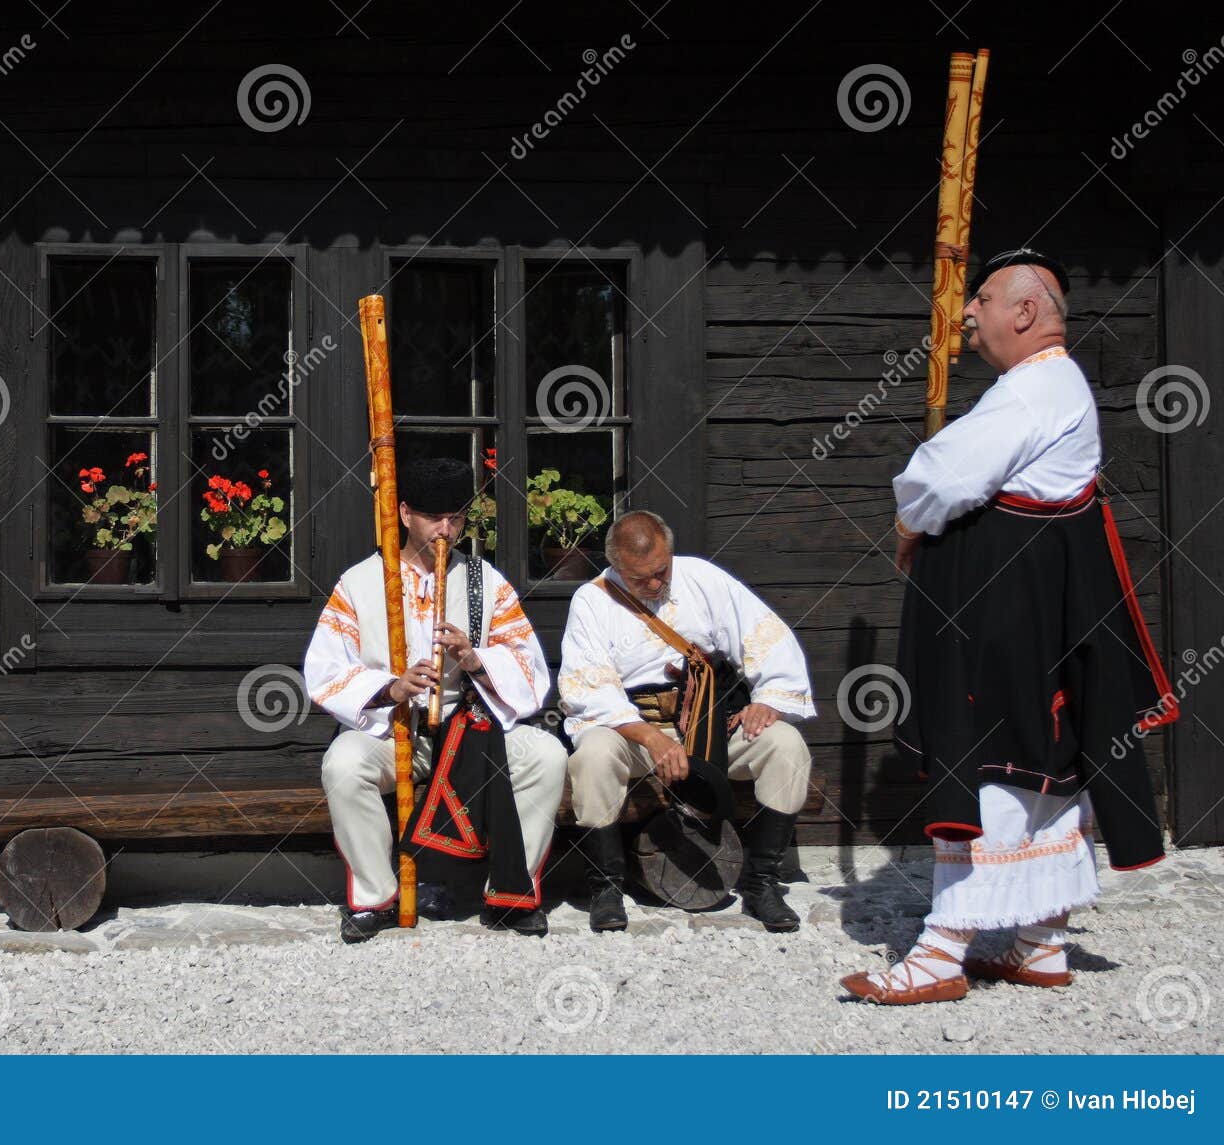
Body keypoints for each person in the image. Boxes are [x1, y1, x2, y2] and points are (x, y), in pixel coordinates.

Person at [841, 248, 1176, 1004]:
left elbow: (943, 475)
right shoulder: (1046, 385)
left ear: (1025, 311)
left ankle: (940, 953)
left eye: (983, 297)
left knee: (991, 763)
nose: (967, 310)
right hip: (1029, 610)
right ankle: (1039, 943)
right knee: (1044, 760)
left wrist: (910, 519)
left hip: (1006, 619)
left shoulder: (1035, 389)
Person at [304, 457, 568, 943]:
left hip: (469, 731)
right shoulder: (361, 582)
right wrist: (391, 688)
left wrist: (475, 660)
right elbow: (325, 670)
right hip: (391, 729)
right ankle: (375, 898)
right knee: (343, 764)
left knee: (546, 755)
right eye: (433, 518)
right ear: (405, 513)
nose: (446, 531)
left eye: (456, 518)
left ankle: (510, 894)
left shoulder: (484, 582)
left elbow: (528, 666)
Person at [558, 509, 818, 933]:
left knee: (785, 744)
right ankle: (606, 886)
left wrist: (768, 699)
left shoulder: (702, 578)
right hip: (634, 734)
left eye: (662, 571)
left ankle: (762, 884)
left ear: (670, 552)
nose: (655, 584)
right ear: (617, 567)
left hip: (708, 729)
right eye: (641, 578)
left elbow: (764, 635)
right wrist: (652, 739)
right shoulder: (592, 601)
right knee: (594, 755)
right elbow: (590, 691)